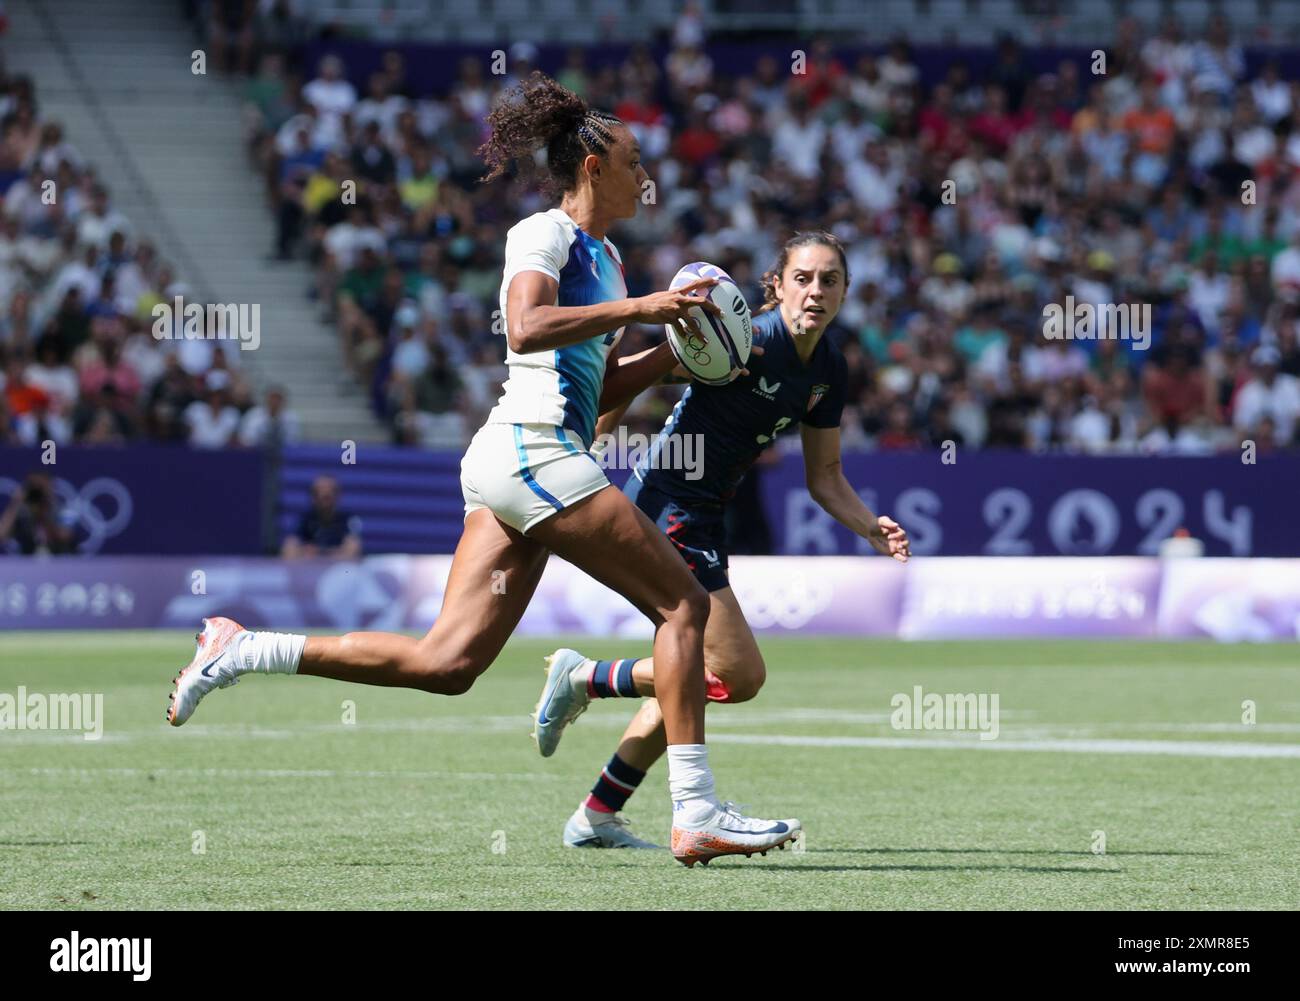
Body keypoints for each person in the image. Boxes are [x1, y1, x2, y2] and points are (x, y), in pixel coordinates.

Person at [166, 71, 799, 866]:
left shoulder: (605, 258)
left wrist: (676, 355)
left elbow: (597, 384)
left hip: (523, 458)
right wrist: (639, 315)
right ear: (594, 165)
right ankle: (696, 811)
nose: (648, 176)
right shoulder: (546, 234)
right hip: (531, 448)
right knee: (682, 607)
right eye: (636, 160)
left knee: (448, 663)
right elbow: (526, 326)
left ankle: (239, 647)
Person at [531, 232, 911, 848]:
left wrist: (869, 525)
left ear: (845, 291)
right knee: (737, 676)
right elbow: (622, 382)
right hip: (667, 507)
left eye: (830, 280)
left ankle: (596, 814)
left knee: (693, 678)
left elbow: (826, 476)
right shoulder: (745, 338)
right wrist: (587, 446)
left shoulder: (830, 369)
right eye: (803, 278)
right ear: (778, 284)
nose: (816, 290)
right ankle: (589, 678)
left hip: (707, 516)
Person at [280, 475, 362, 559]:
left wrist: (318, 552)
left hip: (338, 569)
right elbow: (289, 549)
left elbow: (352, 551)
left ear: (337, 496)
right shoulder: (304, 520)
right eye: (318, 494)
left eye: (327, 497)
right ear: (312, 497)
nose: (323, 501)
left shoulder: (348, 520)